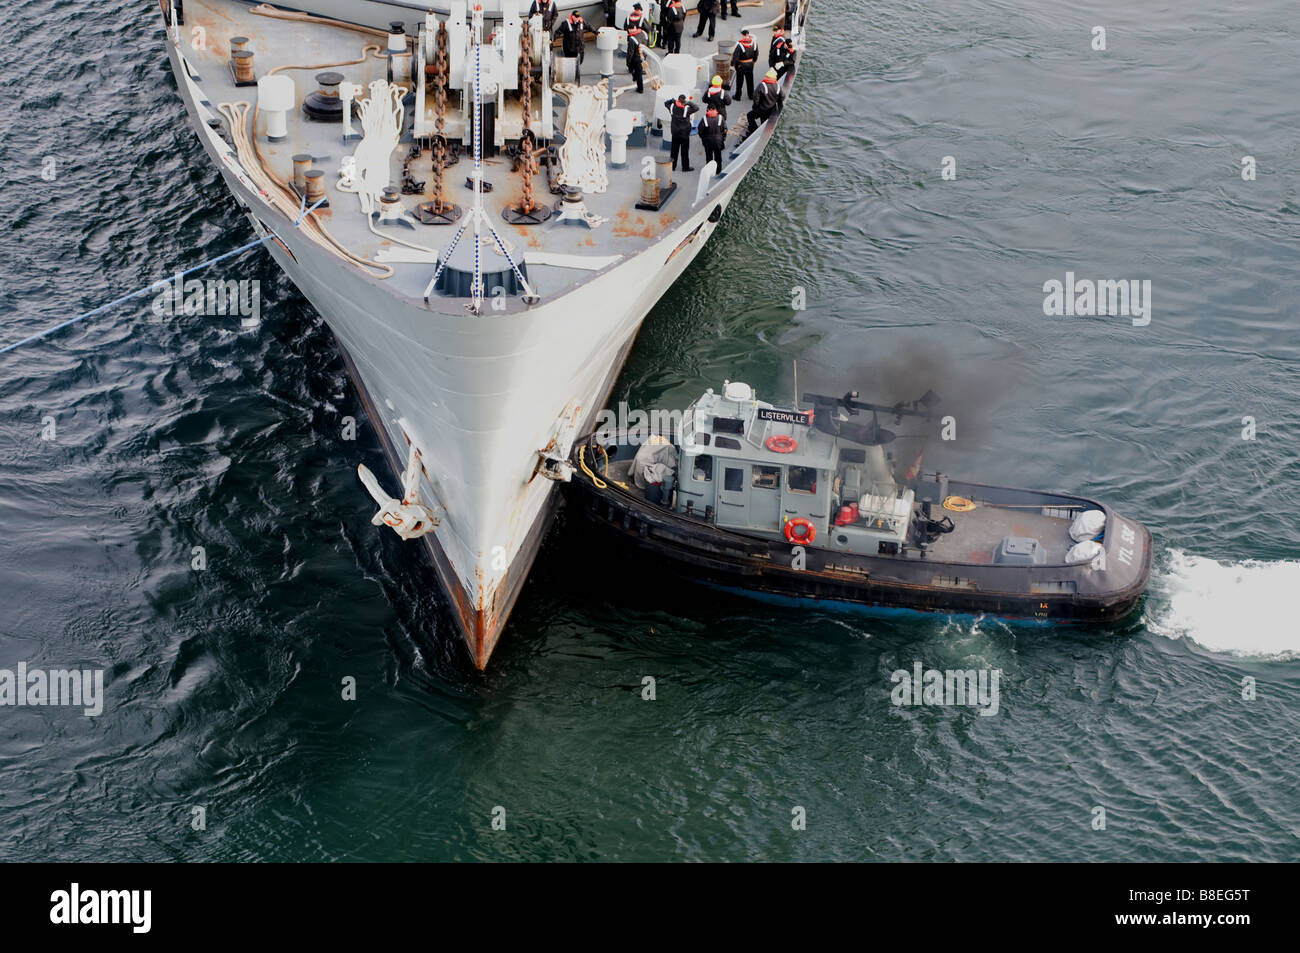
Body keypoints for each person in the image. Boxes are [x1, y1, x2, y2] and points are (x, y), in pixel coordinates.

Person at [744, 68, 783, 137]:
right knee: (765, 124)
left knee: (749, 115)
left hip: (761, 109)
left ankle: (754, 130)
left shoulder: (762, 85)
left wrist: (755, 107)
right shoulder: (778, 86)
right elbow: (782, 97)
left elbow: (756, 97)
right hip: (772, 110)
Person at [664, 93, 699, 171]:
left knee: (674, 151)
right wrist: (689, 102)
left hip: (675, 133)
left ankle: (672, 166)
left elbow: (666, 103)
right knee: (684, 151)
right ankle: (685, 167)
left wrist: (672, 101)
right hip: (684, 133)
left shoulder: (672, 107)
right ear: (684, 101)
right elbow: (696, 108)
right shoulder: (687, 110)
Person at [556, 10, 585, 80]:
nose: (577, 19)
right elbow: (558, 32)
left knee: (579, 61)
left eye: (578, 17)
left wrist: (597, 32)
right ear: (572, 16)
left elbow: (589, 27)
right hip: (569, 49)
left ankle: (576, 72)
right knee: (569, 64)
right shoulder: (566, 23)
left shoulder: (581, 22)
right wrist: (552, 39)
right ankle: (569, 76)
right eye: (576, 17)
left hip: (579, 48)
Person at [730, 29, 758, 101]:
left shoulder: (740, 45)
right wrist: (753, 61)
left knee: (739, 81)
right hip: (750, 64)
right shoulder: (754, 43)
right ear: (748, 35)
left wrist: (732, 64)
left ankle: (738, 96)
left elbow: (736, 56)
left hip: (741, 65)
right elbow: (756, 54)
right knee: (750, 80)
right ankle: (751, 95)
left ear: (742, 35)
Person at [698, 105, 726, 171]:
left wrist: (703, 139)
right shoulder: (720, 118)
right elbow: (725, 129)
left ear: (707, 110)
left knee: (709, 157)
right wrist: (723, 138)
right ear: (716, 110)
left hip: (708, 141)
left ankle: (710, 171)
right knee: (718, 156)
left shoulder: (704, 119)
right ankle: (718, 170)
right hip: (718, 141)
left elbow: (700, 131)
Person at [626, 25, 647, 93]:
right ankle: (635, 77)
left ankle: (640, 89)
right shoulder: (644, 33)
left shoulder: (632, 39)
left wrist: (628, 62)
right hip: (643, 55)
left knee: (638, 73)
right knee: (638, 70)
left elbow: (630, 53)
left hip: (636, 58)